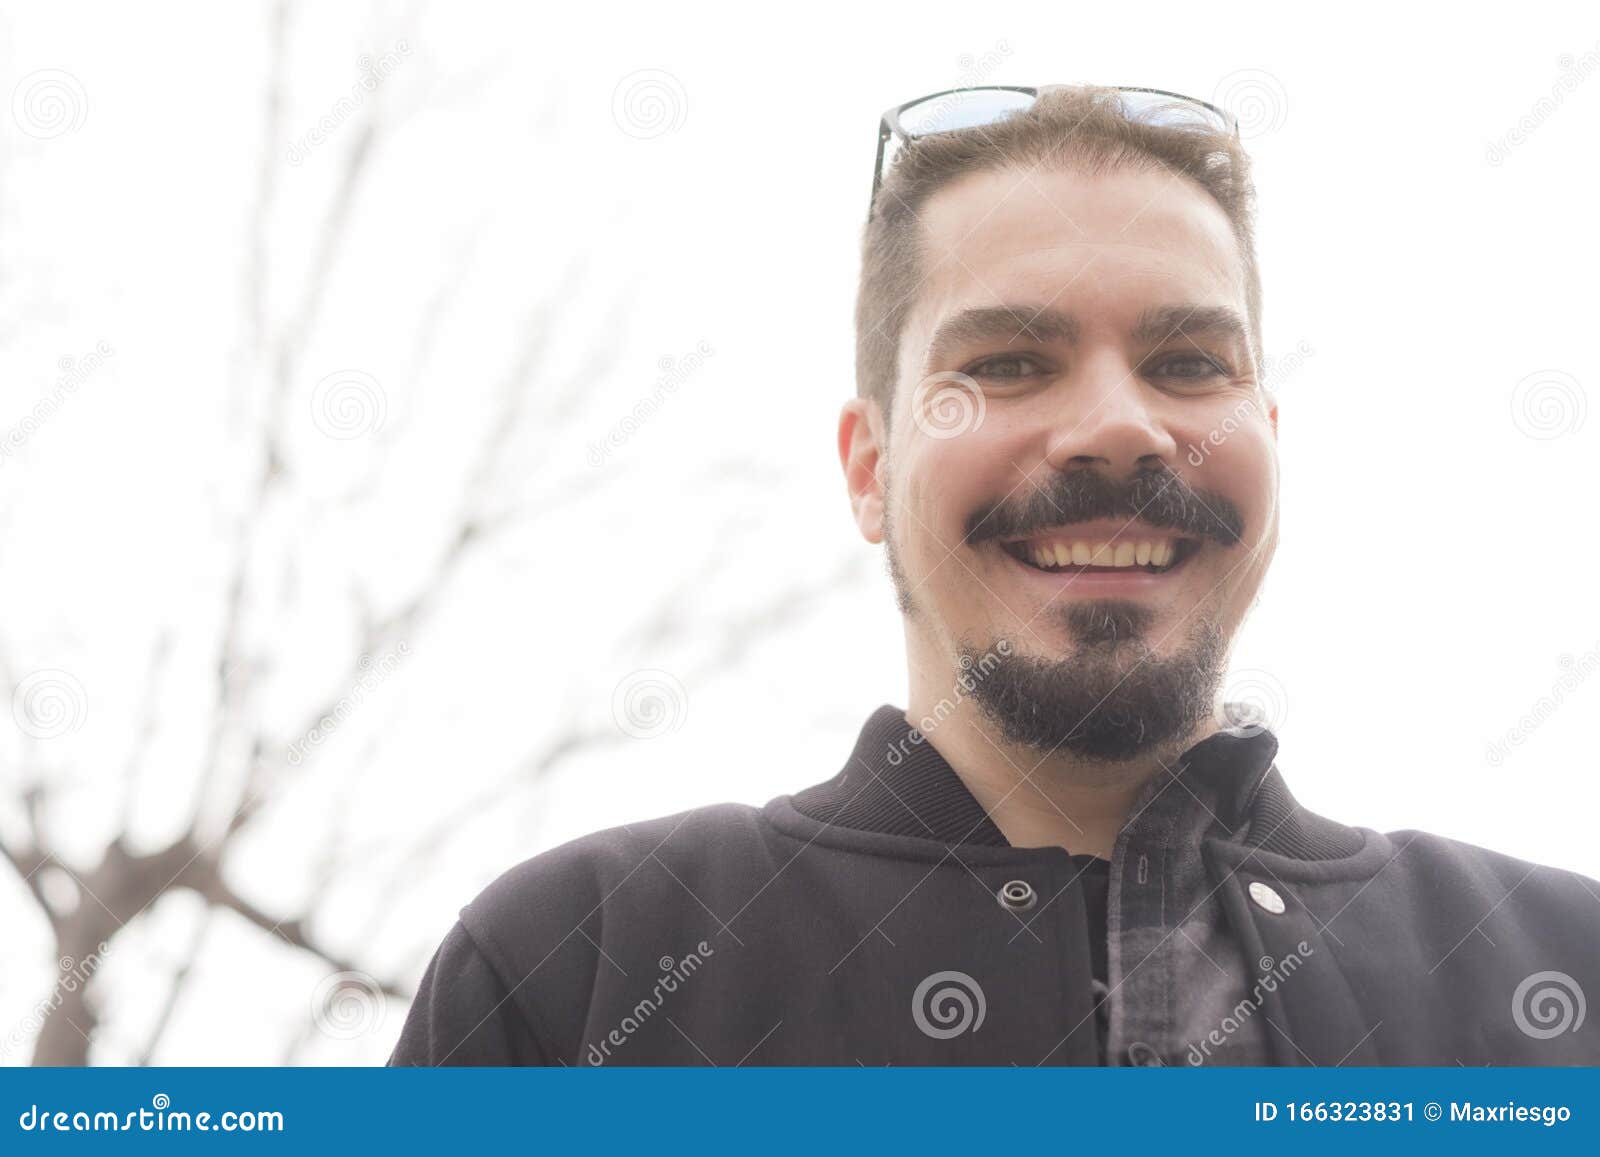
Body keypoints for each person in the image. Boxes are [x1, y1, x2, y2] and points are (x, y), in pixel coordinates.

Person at [389, 84, 1599, 1067]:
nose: (1120, 426)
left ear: (1270, 434)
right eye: (1013, 362)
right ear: (869, 468)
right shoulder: (578, 967)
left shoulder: (1561, 973)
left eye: (1188, 361)